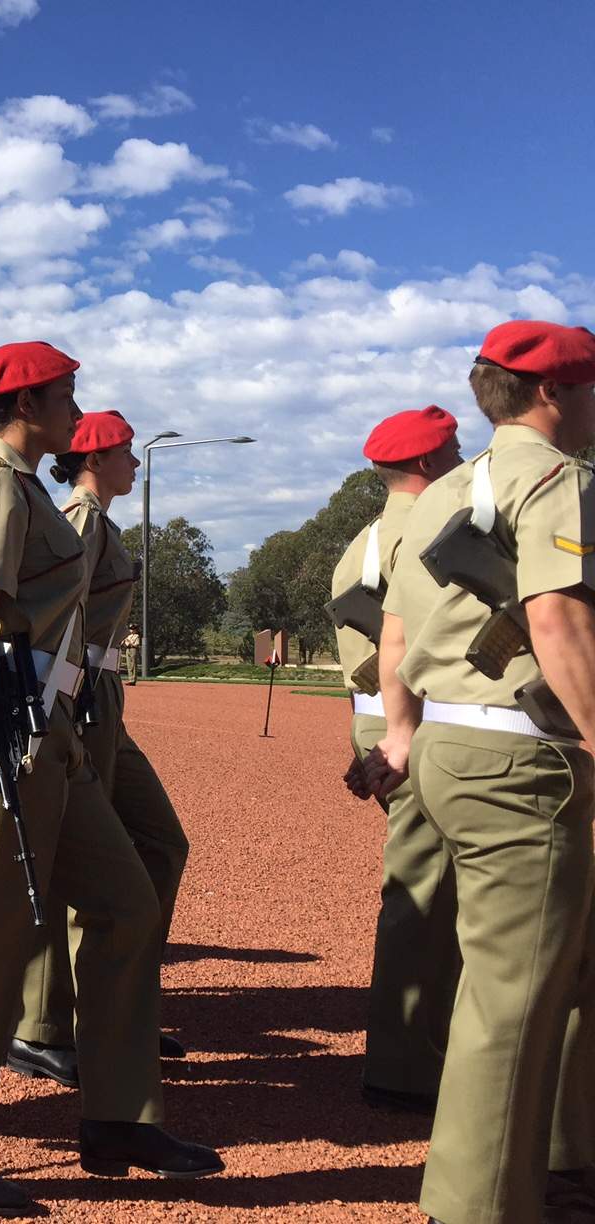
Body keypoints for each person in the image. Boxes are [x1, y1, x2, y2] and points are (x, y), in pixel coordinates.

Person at [0, 342, 221, 1214]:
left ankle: (117, 1117)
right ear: (26, 402)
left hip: (52, 730)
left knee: (128, 904)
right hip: (10, 737)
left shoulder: (25, 490)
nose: (75, 409)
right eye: (66, 393)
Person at [365, 321, 595, 1224]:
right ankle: (475, 1207)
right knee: (515, 991)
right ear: (555, 396)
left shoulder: (447, 491)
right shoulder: (558, 482)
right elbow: (561, 626)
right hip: (521, 757)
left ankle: (560, 1161)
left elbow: (394, 635)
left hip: (454, 748)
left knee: (551, 970)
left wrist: (404, 734)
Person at [3, 410, 194, 1089]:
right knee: (62, 862)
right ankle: (44, 1025)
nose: (135, 465)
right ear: (97, 460)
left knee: (160, 843)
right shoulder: (80, 521)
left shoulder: (99, 522)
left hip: (99, 695)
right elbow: (55, 617)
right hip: (77, 698)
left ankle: (114, 1005)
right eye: (125, 454)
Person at [332, 406, 464, 1114]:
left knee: (435, 892)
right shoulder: (433, 527)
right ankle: (407, 1067)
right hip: (421, 723)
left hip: (378, 719)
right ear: (433, 459)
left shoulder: (367, 537)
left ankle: (419, 1053)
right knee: (425, 896)